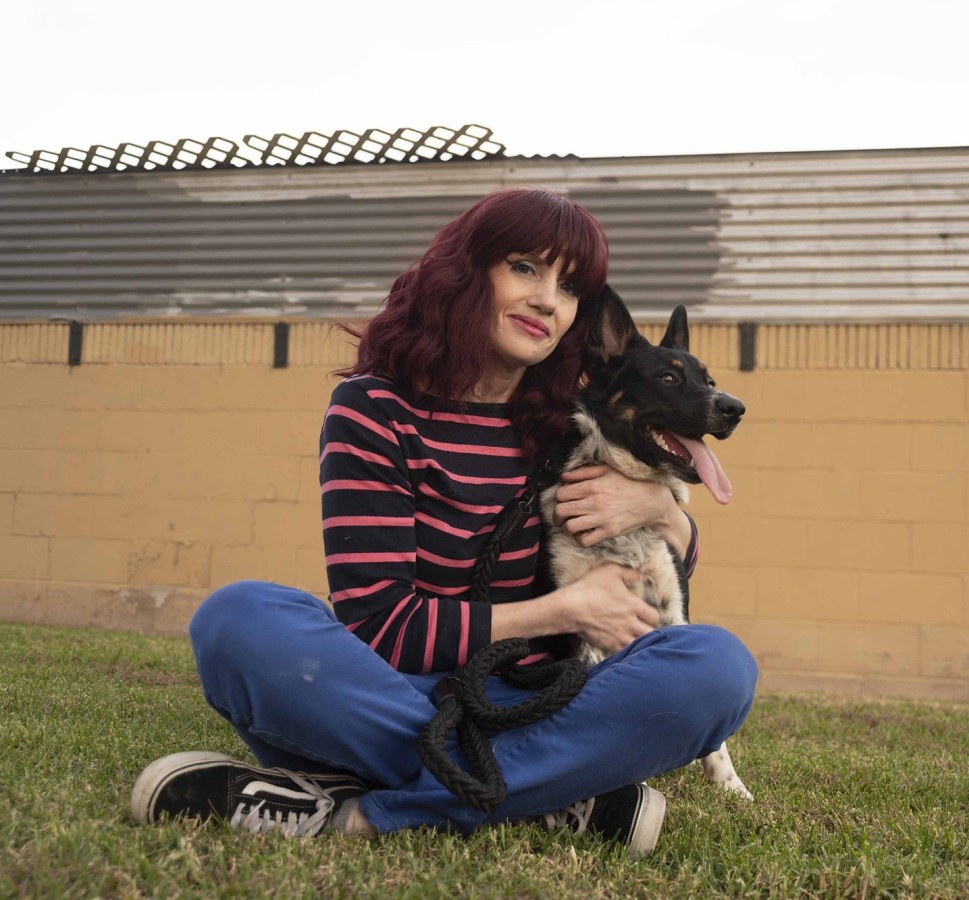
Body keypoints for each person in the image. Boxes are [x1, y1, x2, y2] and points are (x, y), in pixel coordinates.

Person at [130, 187, 758, 857]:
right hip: (398, 691)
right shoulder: (371, 410)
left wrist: (663, 509)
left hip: (542, 697)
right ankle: (547, 791)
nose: (548, 298)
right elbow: (380, 625)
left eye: (569, 286)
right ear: (466, 271)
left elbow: (654, 568)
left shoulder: (570, 423)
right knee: (239, 620)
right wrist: (562, 611)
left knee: (716, 667)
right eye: (525, 267)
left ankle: (357, 813)